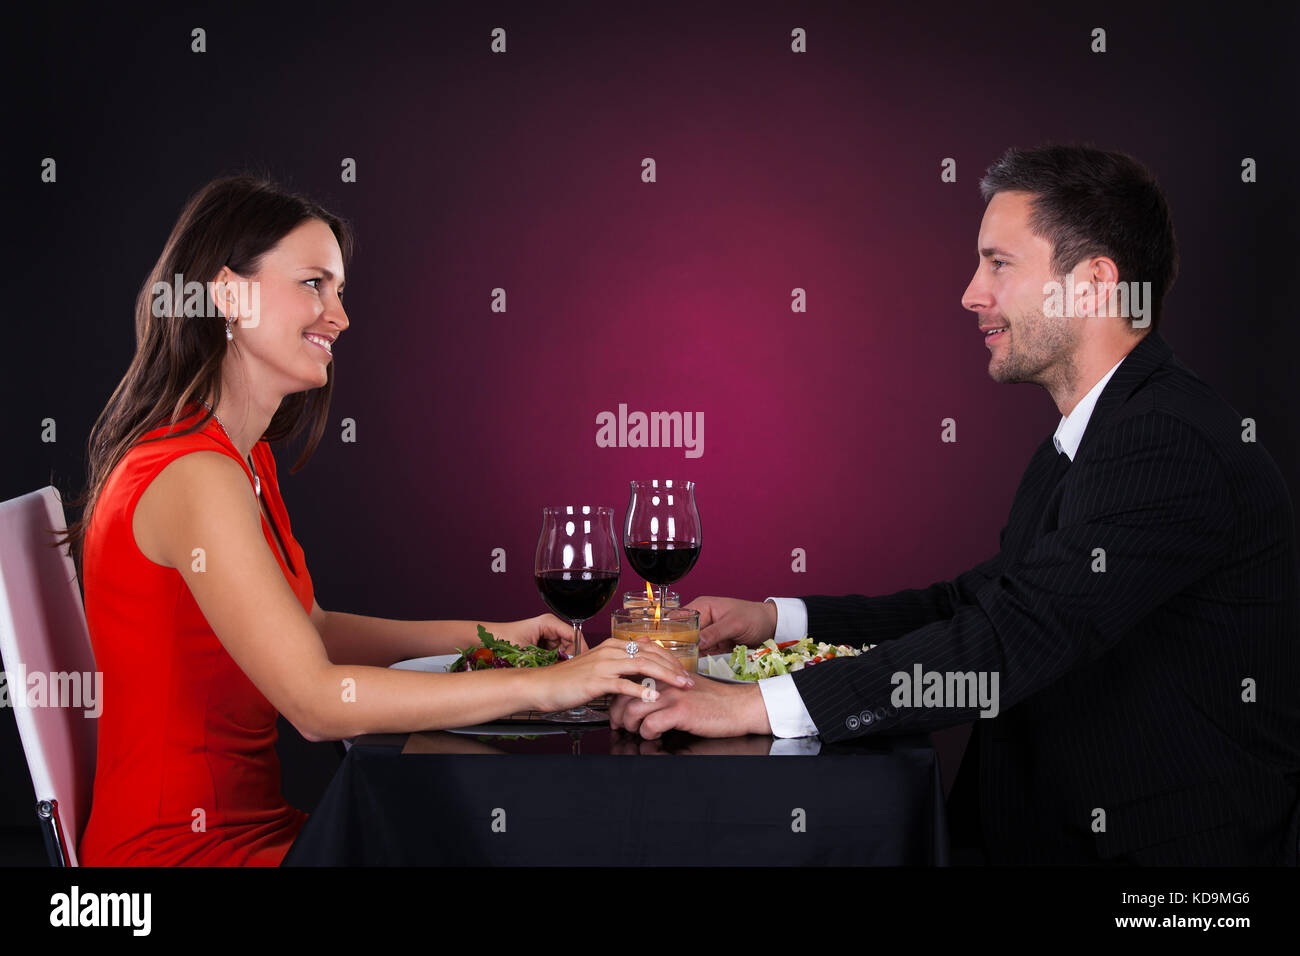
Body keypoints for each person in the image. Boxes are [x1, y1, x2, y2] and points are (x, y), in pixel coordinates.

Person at [611, 144, 1300, 866]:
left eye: (999, 263)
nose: (972, 293)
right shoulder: (1090, 438)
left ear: (1095, 284)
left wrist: (758, 704)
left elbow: (1013, 637)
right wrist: (777, 620)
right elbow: (977, 605)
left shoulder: (1167, 441)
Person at [55, 174, 691, 866]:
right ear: (227, 294)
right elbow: (317, 704)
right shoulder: (193, 475)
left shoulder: (241, 461)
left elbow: (315, 633)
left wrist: (497, 640)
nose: (340, 316)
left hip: (261, 834)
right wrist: (548, 684)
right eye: (313, 285)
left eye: (340, 291)